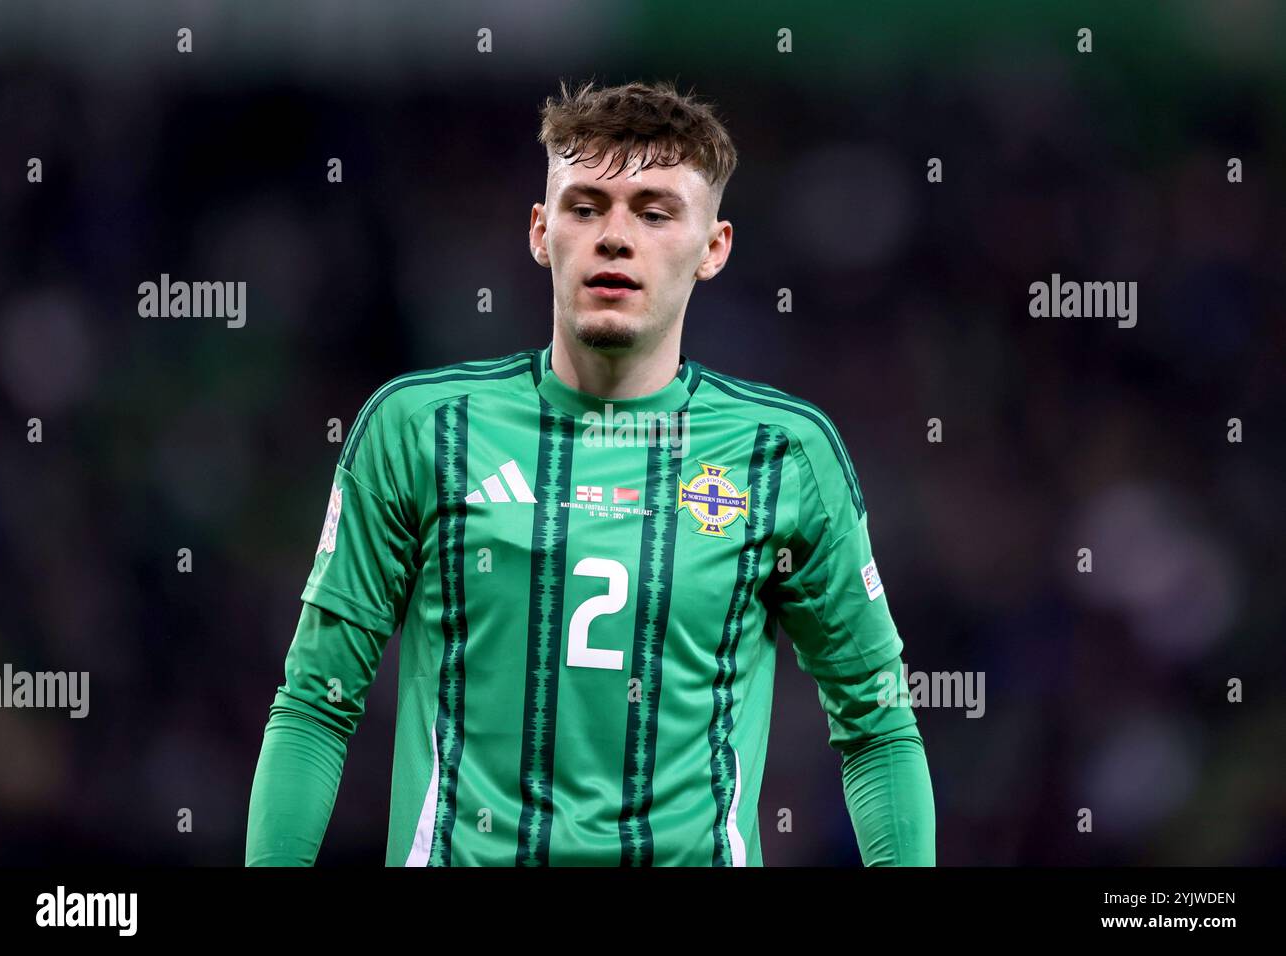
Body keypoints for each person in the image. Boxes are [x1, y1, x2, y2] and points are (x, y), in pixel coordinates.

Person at [246, 78, 934, 866]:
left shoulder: (785, 455)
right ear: (541, 232)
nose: (615, 236)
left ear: (714, 247)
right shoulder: (419, 430)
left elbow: (879, 728)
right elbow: (314, 706)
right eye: (585, 206)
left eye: (654, 211)